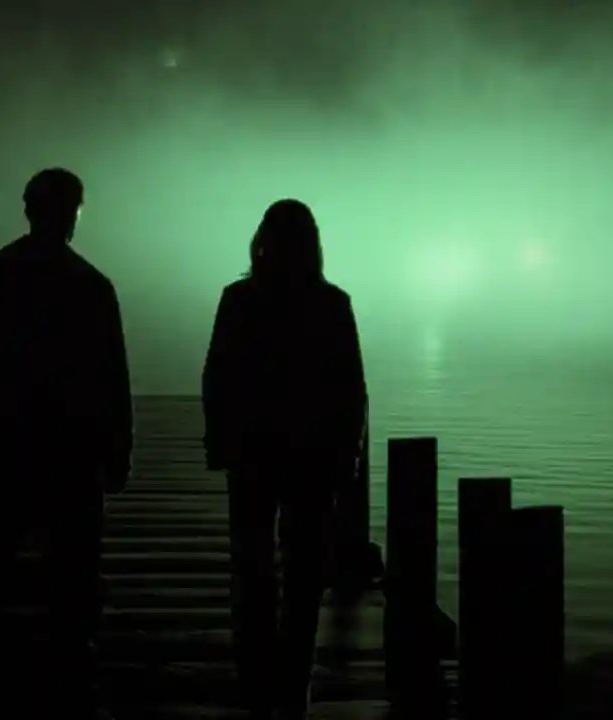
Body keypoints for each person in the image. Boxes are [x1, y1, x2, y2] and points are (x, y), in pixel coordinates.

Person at [0, 167, 133, 719]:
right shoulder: (91, 286)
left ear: (28, 209)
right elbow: (112, 379)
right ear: (75, 214)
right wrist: (118, 450)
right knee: (72, 575)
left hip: (2, 448)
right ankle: (69, 677)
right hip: (71, 454)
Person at [201, 199, 367, 720]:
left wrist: (217, 438)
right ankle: (292, 676)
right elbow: (351, 389)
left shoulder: (239, 298)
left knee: (252, 561)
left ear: (263, 240)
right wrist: (348, 457)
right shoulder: (332, 303)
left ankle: (255, 670)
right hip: (314, 453)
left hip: (253, 449)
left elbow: (217, 375)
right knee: (303, 568)